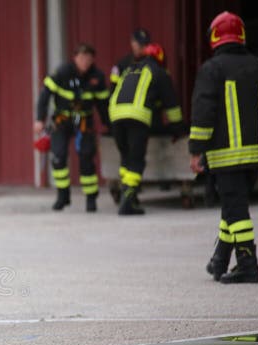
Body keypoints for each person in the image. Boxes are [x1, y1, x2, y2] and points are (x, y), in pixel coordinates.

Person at [190, 12, 258, 283]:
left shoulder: (212, 70)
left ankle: (248, 265)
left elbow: (203, 112)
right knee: (233, 205)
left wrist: (196, 149)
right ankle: (219, 260)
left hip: (224, 155)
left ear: (215, 37)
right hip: (253, 156)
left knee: (237, 211)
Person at [109, 42, 184, 215]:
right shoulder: (159, 72)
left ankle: (128, 193)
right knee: (136, 160)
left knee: (126, 157)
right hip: (137, 117)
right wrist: (178, 129)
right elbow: (171, 105)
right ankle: (128, 202)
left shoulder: (129, 70)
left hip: (116, 116)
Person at [35, 43, 110, 212]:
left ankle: (91, 198)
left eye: (88, 58)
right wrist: (40, 119)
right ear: (75, 58)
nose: (85, 62)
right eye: (82, 58)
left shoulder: (97, 77)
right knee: (58, 156)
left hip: (83, 120)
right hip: (62, 120)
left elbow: (103, 104)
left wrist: (109, 124)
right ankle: (63, 195)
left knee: (86, 157)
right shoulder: (62, 73)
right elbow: (44, 95)